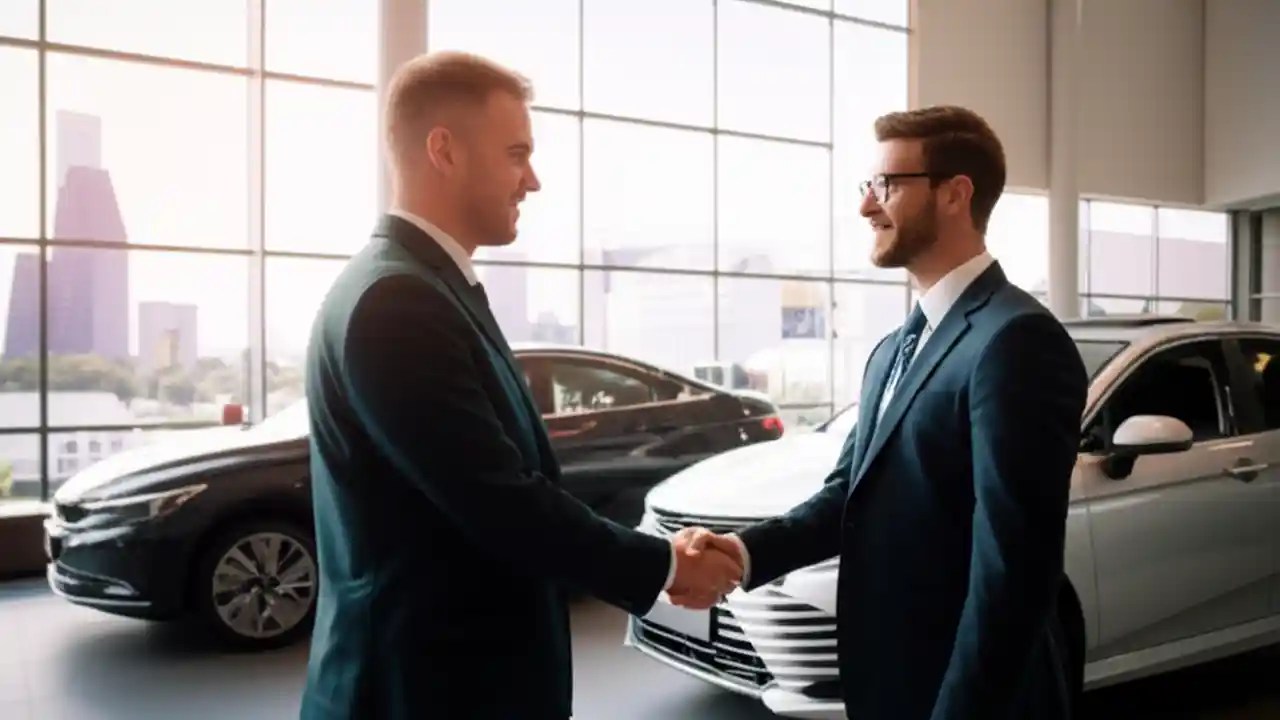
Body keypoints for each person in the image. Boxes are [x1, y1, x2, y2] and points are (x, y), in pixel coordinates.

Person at [298, 50, 742, 720]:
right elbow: (499, 502)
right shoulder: (398, 301)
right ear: (444, 150)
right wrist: (668, 567)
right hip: (423, 694)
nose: (531, 181)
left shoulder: (418, 286)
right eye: (516, 154)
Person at [675, 106, 1088, 720]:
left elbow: (1013, 573)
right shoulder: (893, 349)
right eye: (867, 185)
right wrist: (740, 552)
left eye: (886, 184)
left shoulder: (1017, 340)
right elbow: (849, 495)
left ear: (955, 194)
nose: (867, 205)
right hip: (894, 680)